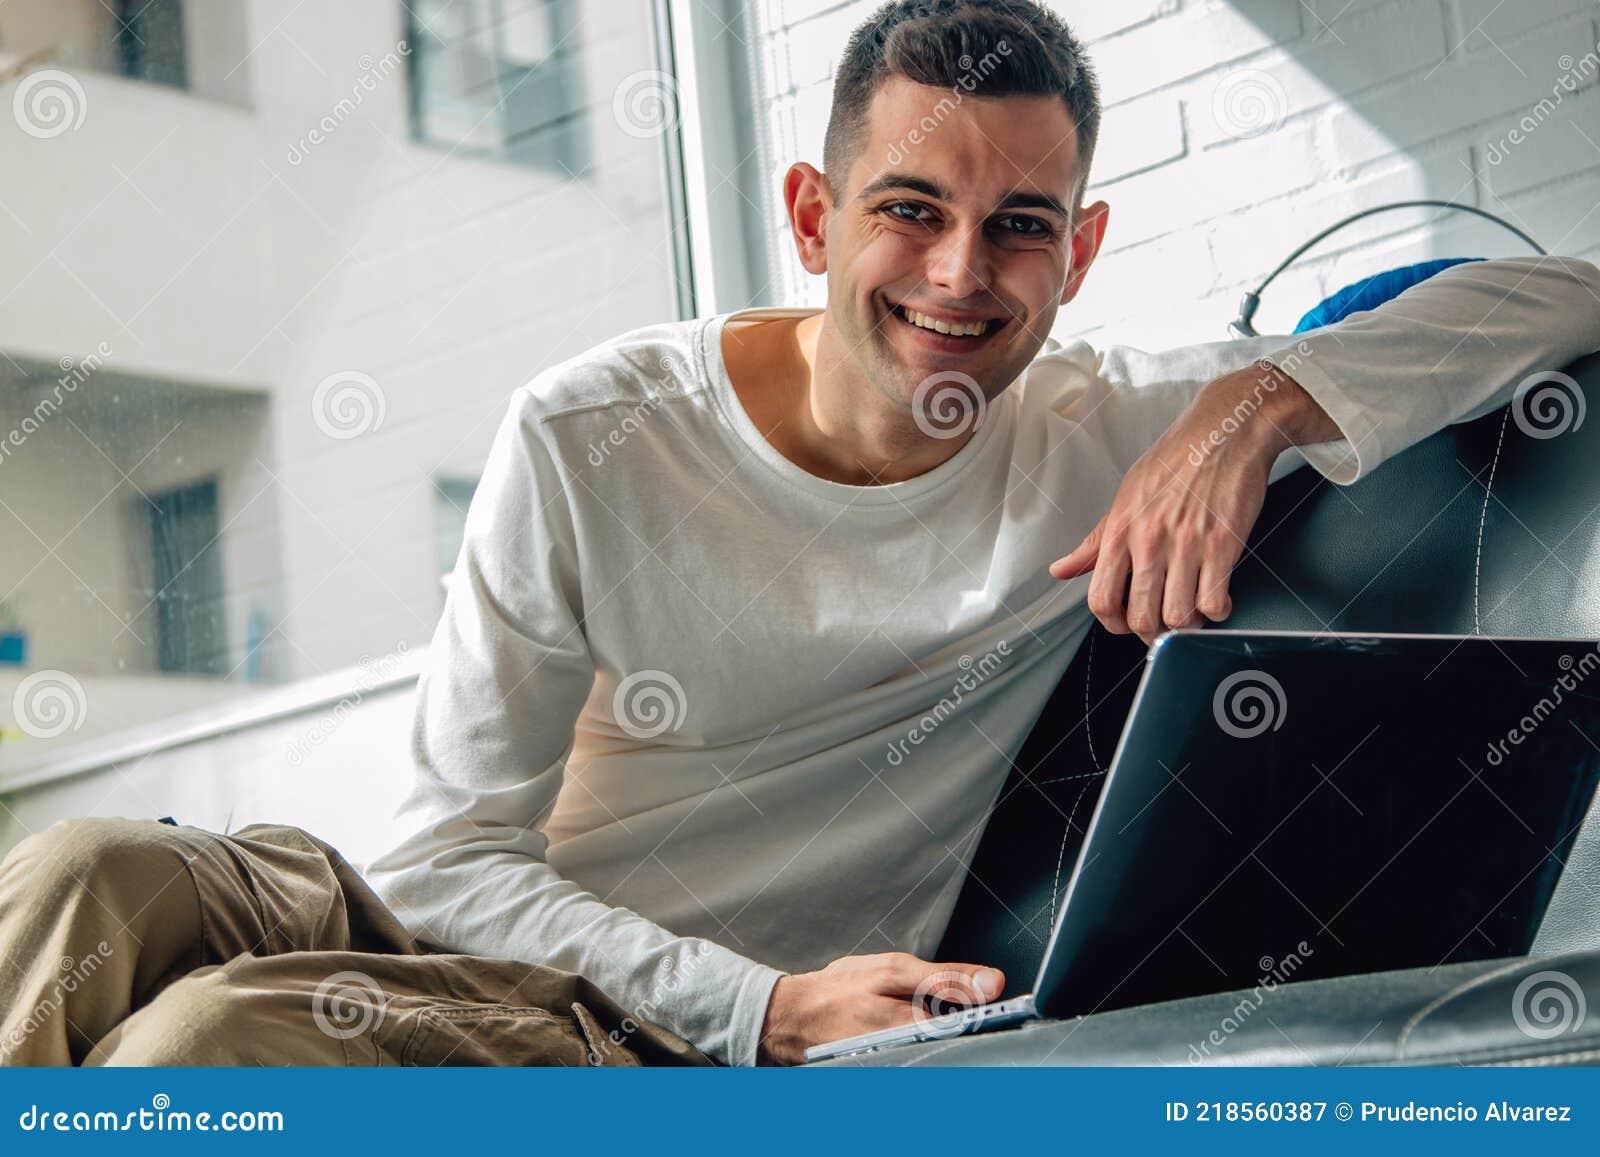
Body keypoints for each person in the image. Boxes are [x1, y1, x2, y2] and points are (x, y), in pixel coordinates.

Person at [4, 0, 1598, 1068]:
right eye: (911, 207)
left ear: (1083, 246)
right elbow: (442, 860)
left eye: (1022, 227)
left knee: (199, 1045)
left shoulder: (1105, 421)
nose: (964, 275)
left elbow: (1563, 294)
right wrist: (760, 1000)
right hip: (478, 928)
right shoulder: (594, 430)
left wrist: (1253, 406)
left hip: (611, 1039)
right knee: (77, 872)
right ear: (813, 214)